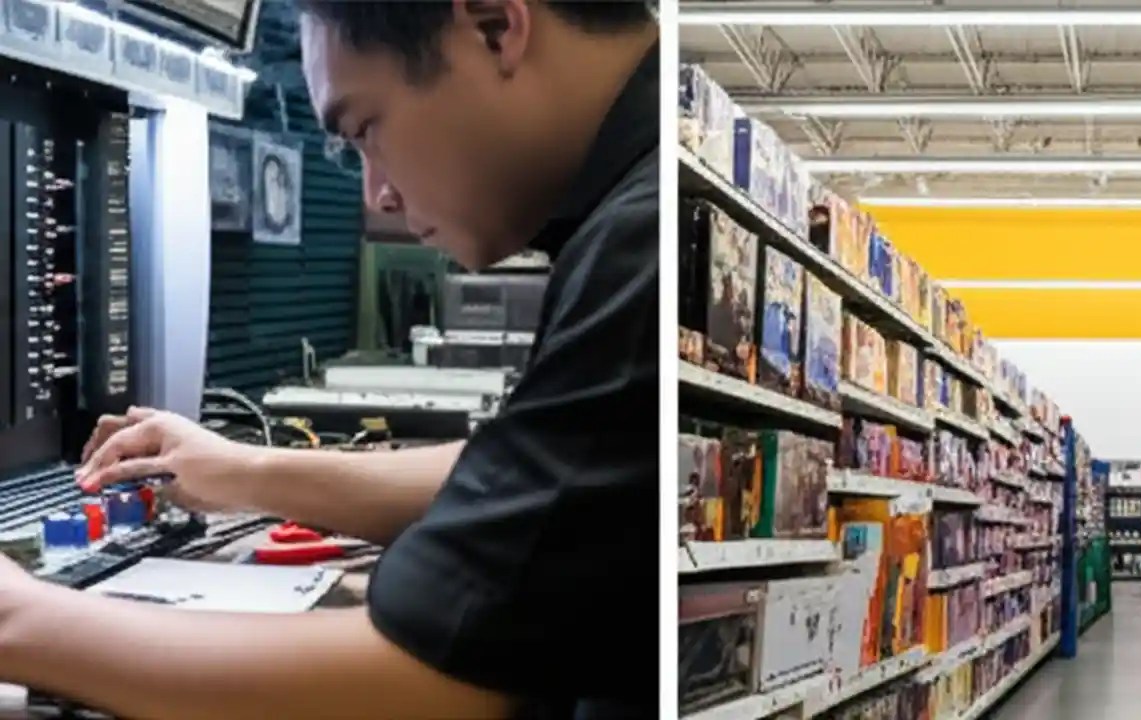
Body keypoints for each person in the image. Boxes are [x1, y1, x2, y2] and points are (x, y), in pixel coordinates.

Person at [0, 1, 658, 718]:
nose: (378, 191)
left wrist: (19, 620)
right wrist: (245, 471)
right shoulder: (629, 212)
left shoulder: (641, 254)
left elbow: (423, 681)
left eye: (365, 128)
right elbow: (539, 481)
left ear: (497, 27)